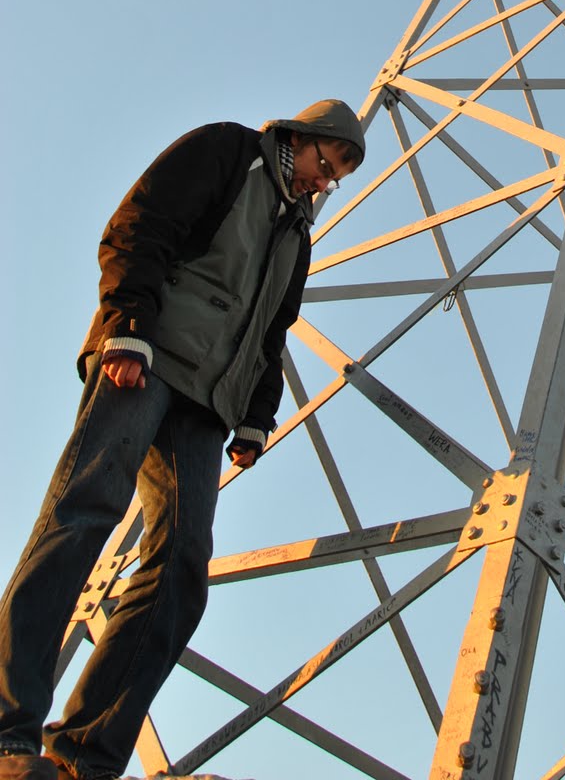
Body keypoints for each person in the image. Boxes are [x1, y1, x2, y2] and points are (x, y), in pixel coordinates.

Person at [0, 99, 365, 780]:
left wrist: (256, 417)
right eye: (326, 163)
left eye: (337, 176)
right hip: (145, 354)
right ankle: (7, 732)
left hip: (207, 403)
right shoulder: (227, 152)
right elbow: (139, 228)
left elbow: (272, 330)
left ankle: (85, 754)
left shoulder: (297, 230)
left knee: (181, 569)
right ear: (302, 138)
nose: (324, 182)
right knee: (82, 517)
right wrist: (127, 324)